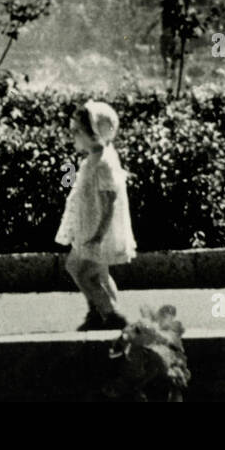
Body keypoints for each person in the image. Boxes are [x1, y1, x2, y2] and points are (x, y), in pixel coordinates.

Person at [56, 100, 136, 332]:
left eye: (77, 131)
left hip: (99, 229)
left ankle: (112, 315)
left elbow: (110, 202)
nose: (73, 135)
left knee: (83, 272)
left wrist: (100, 235)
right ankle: (98, 310)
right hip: (89, 226)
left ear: (93, 133)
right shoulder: (91, 160)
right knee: (89, 270)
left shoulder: (103, 163)